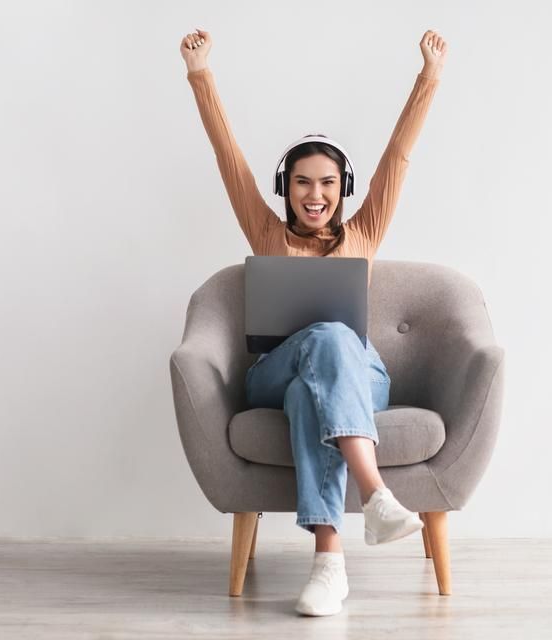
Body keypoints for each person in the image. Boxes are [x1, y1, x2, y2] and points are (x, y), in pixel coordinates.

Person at [180, 27, 448, 616]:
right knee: (322, 342)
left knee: (312, 391)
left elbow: (398, 156)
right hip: (270, 372)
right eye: (302, 182)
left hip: (357, 377)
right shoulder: (266, 233)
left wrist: (427, 77)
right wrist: (201, 74)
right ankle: (376, 496)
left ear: (344, 189)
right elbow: (229, 158)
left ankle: (329, 565)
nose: (315, 193)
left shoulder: (365, 232)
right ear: (286, 189)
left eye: (327, 182)